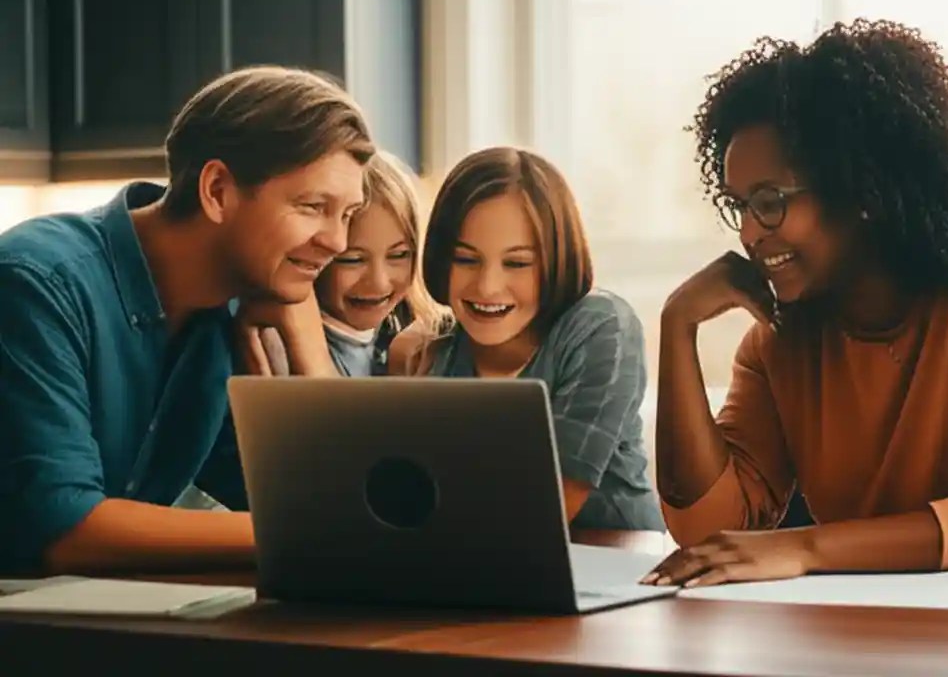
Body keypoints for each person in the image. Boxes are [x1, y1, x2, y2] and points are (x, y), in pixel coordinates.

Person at [643, 20, 948, 588]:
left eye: (770, 203)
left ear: (861, 191)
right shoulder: (781, 339)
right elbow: (711, 527)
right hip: (904, 631)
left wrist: (805, 547)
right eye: (740, 206)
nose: (750, 234)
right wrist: (677, 325)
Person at [0, 66, 374, 575]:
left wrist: (309, 347)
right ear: (218, 190)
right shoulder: (38, 281)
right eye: (313, 207)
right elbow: (64, 529)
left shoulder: (232, 308)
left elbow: (304, 495)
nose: (337, 241)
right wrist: (313, 531)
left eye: (348, 214)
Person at [389, 147, 664, 531]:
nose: (487, 286)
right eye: (466, 259)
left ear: (557, 259)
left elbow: (550, 507)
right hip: (476, 564)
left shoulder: (601, 327)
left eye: (517, 263)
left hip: (616, 565)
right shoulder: (427, 351)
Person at [250, 150, 440, 377]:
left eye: (398, 256)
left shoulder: (413, 342)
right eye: (353, 260)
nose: (379, 282)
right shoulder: (278, 346)